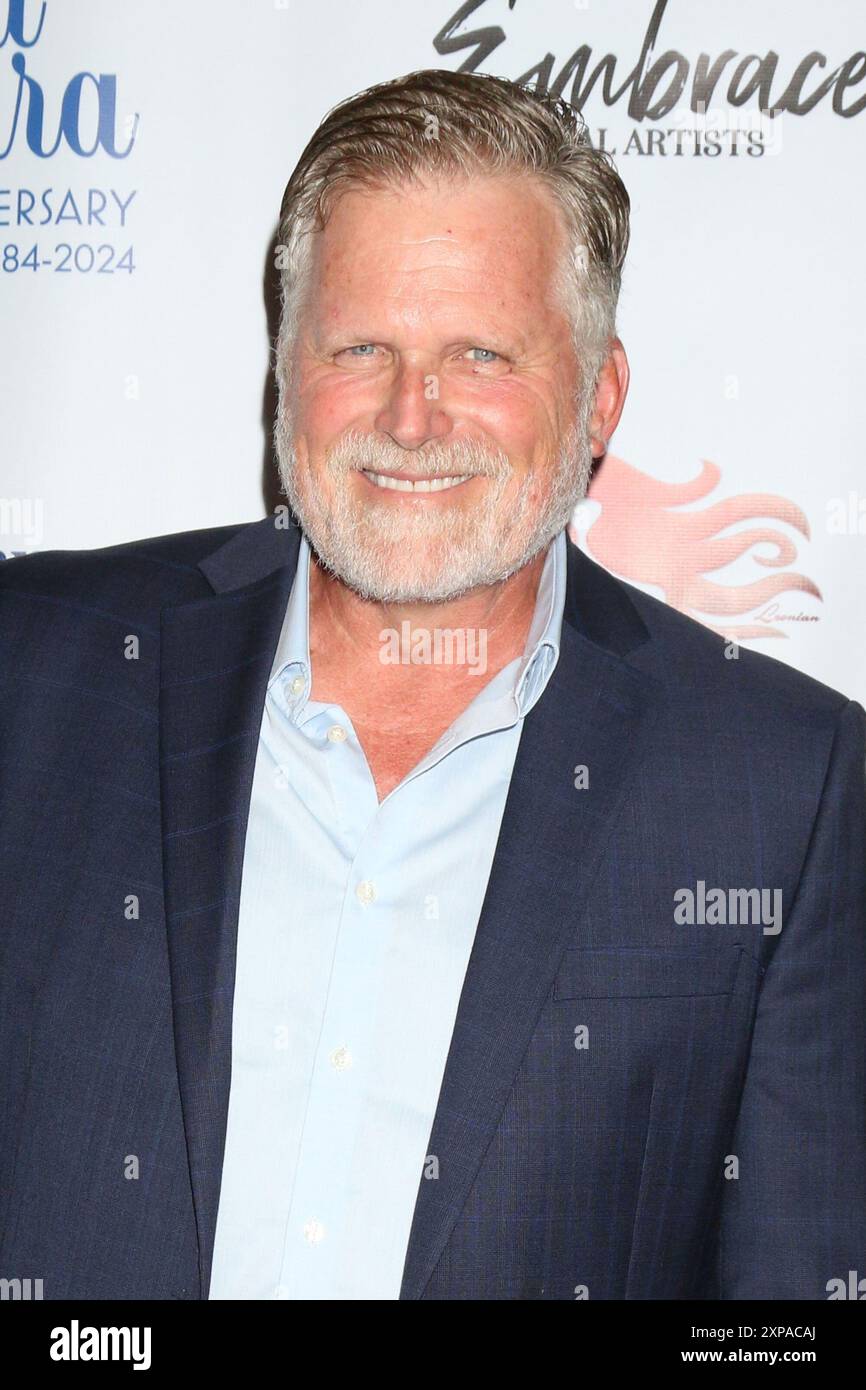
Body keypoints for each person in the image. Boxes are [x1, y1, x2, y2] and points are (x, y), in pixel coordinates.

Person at [1, 69, 863, 1302]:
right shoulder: (32, 672)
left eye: (479, 353)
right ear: (283, 374)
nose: (413, 417)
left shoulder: (784, 795)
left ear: (599, 396)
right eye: (360, 347)